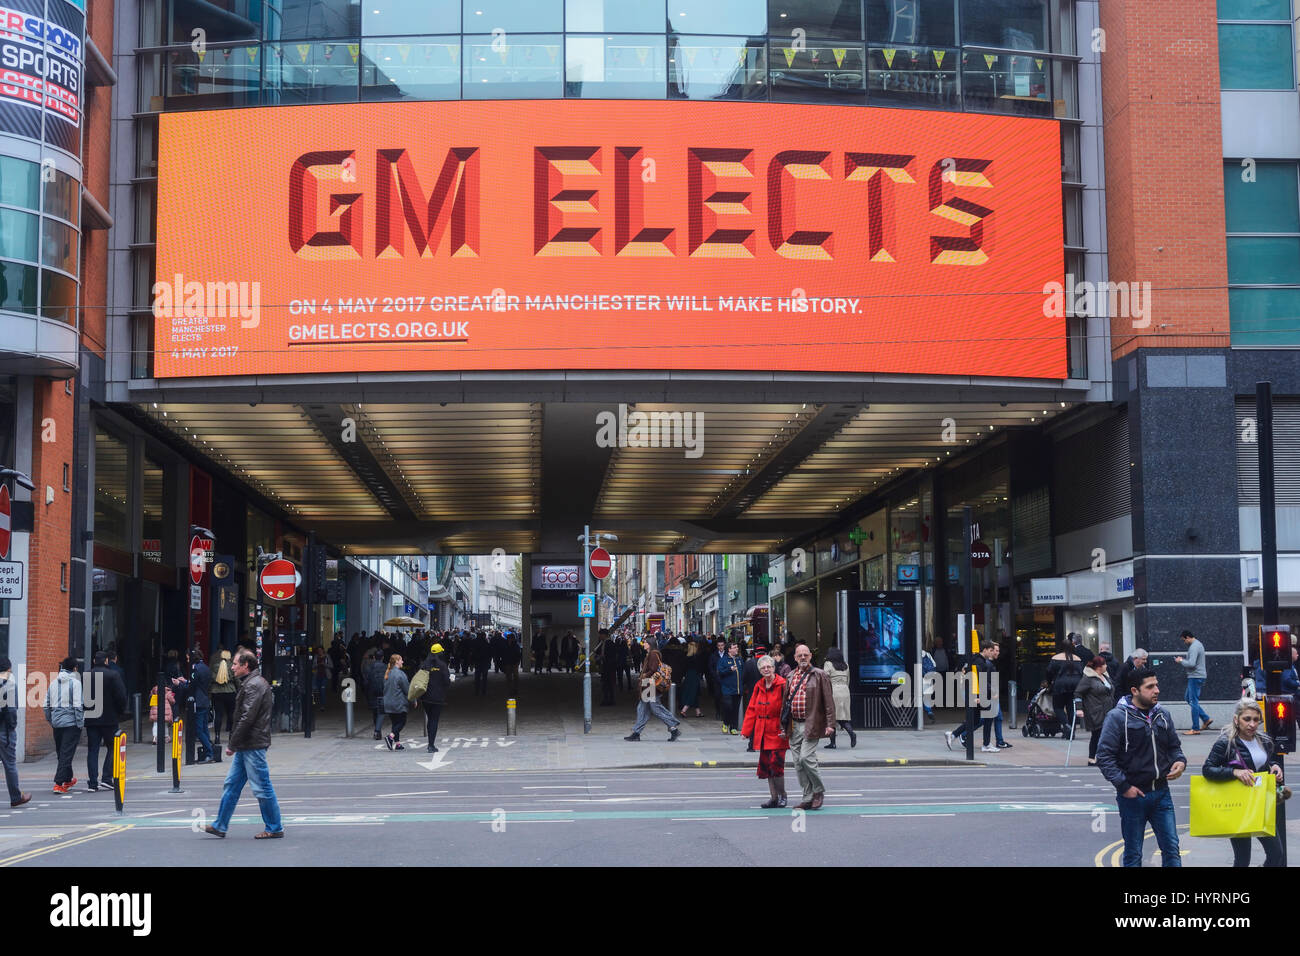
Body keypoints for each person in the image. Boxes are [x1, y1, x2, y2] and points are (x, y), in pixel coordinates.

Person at [1095, 668, 1187, 867]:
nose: (1157, 690)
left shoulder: (1162, 714)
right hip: (1133, 796)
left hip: (1162, 793)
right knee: (1133, 853)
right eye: (1150, 687)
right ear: (1135, 690)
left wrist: (1180, 761)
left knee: (1172, 849)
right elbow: (1104, 756)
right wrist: (1123, 786)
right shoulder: (1117, 717)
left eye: (1157, 685)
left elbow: (1174, 747)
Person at [202, 648, 284, 839]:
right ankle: (220, 825)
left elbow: (247, 718)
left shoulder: (254, 685)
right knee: (231, 784)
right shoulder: (251, 682)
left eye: (236, 664)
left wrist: (232, 744)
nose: (232, 667)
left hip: (252, 744)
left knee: (262, 787)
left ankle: (274, 827)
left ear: (246, 665)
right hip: (247, 744)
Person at [1201, 698, 1285, 867]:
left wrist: (1274, 767)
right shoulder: (1226, 743)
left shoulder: (1264, 740)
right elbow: (1208, 770)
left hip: (1260, 804)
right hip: (1238, 804)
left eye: (1256, 719)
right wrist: (1234, 772)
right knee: (1242, 860)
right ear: (1236, 719)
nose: (1252, 724)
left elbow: (1266, 761)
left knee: (1276, 854)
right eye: (1247, 719)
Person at [786, 645, 835, 810]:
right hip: (794, 724)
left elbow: (829, 701)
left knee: (805, 758)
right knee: (798, 764)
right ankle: (807, 797)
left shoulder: (820, 675)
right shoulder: (790, 675)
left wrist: (830, 724)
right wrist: (782, 725)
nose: (802, 657)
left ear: (810, 656)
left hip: (811, 723)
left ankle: (819, 791)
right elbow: (786, 703)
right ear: (794, 658)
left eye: (805, 655)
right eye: (799, 655)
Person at [742, 655, 789, 808]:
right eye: (763, 668)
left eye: (769, 666)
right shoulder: (759, 685)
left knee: (776, 765)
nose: (766, 669)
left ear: (774, 668)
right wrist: (746, 731)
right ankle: (774, 798)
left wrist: (787, 728)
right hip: (763, 730)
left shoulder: (782, 684)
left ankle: (783, 795)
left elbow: (789, 708)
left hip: (777, 730)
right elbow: (751, 708)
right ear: (760, 671)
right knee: (767, 767)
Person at [83, 651, 127, 791]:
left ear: (95, 661)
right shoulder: (113, 675)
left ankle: (92, 783)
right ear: (107, 661)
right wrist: (120, 712)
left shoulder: (87, 675)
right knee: (113, 748)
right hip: (109, 718)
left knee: (93, 750)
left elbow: (83, 697)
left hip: (91, 719)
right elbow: (121, 696)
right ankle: (107, 778)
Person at [944, 643, 997, 751]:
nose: (992, 653)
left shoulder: (977, 660)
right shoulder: (980, 662)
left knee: (975, 720)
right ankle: (986, 745)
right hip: (977, 694)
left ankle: (953, 735)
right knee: (989, 715)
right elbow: (977, 680)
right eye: (991, 650)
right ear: (985, 650)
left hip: (974, 694)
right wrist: (978, 696)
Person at [43, 657, 83, 794]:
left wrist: (51, 720)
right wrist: (80, 723)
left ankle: (68, 779)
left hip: (57, 724)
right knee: (66, 754)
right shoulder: (75, 683)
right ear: (75, 668)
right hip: (71, 724)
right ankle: (58, 783)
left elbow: (46, 705)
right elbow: (78, 705)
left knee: (62, 753)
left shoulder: (53, 683)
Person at [623, 649, 681, 742]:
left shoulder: (653, 654)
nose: (644, 643)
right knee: (642, 708)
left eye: (646, 642)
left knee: (655, 708)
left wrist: (644, 675)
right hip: (648, 684)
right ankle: (636, 733)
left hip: (650, 684)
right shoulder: (651, 654)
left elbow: (653, 669)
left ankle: (673, 725)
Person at [0, 657, 30, 808]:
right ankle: (16, 797)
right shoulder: (9, 684)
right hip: (4, 730)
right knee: (9, 765)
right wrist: (12, 727)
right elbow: (12, 710)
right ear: (9, 669)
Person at [1076, 656, 1113, 766]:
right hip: (1095, 711)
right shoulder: (1088, 679)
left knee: (1106, 735)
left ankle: (1102, 757)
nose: (1106, 666)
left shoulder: (1105, 676)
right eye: (1104, 664)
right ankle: (1092, 758)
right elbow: (1078, 693)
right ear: (1098, 667)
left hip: (1108, 710)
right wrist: (1079, 708)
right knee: (1097, 734)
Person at [1046, 636, 1086, 738]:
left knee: (1058, 707)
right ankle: (1072, 729)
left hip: (1060, 684)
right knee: (1071, 708)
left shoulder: (1056, 658)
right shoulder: (1078, 659)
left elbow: (1049, 672)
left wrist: (1049, 683)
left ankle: (1066, 725)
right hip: (1076, 685)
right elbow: (1082, 673)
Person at [1175, 629, 1211, 734]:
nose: (1184, 643)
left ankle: (1195, 728)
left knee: (1193, 701)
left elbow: (1191, 664)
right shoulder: (1197, 645)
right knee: (1188, 698)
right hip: (1196, 676)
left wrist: (1181, 661)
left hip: (1195, 677)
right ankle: (1205, 718)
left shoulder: (1194, 646)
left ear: (1187, 637)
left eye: (1184, 640)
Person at [417, 643, 452, 753]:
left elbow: (419, 679)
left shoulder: (424, 664)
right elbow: (447, 681)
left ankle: (430, 742)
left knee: (430, 718)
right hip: (438, 697)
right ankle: (431, 744)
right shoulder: (442, 665)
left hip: (426, 697)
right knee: (434, 720)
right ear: (440, 653)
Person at [822, 647, 856, 748]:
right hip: (845, 691)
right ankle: (836, 741)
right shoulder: (846, 665)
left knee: (832, 717)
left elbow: (825, 678)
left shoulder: (828, 664)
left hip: (834, 691)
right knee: (843, 716)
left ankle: (847, 736)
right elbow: (848, 680)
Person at [209, 648, 238, 746]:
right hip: (230, 692)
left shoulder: (215, 666)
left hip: (217, 693)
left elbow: (211, 679)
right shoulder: (232, 667)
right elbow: (236, 680)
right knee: (231, 714)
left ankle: (217, 737)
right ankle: (231, 736)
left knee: (218, 715)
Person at [383, 653, 410, 750]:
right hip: (398, 703)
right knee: (402, 722)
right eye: (401, 660)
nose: (402, 661)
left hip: (388, 703)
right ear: (397, 662)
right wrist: (413, 699)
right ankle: (390, 737)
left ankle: (397, 743)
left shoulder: (387, 673)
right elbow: (407, 690)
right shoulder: (400, 674)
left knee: (395, 723)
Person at [716, 640, 743, 734]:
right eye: (734, 647)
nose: (737, 649)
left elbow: (743, 673)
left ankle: (733, 727)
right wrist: (729, 669)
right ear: (729, 650)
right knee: (728, 707)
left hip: (738, 689)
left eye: (737, 647)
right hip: (727, 689)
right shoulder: (723, 660)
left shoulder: (739, 660)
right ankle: (725, 722)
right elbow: (720, 672)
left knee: (736, 709)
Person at [363, 649, 386, 740]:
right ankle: (377, 731)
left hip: (372, 692)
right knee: (381, 711)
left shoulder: (368, 667)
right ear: (383, 657)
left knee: (375, 711)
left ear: (374, 657)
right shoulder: (385, 667)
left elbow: (365, 682)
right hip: (382, 692)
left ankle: (377, 730)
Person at [679, 640, 704, 718]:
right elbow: (700, 668)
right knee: (692, 693)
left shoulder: (686, 657)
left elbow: (683, 668)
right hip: (694, 676)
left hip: (688, 675)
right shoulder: (697, 657)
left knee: (694, 692)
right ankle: (684, 710)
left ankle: (698, 712)